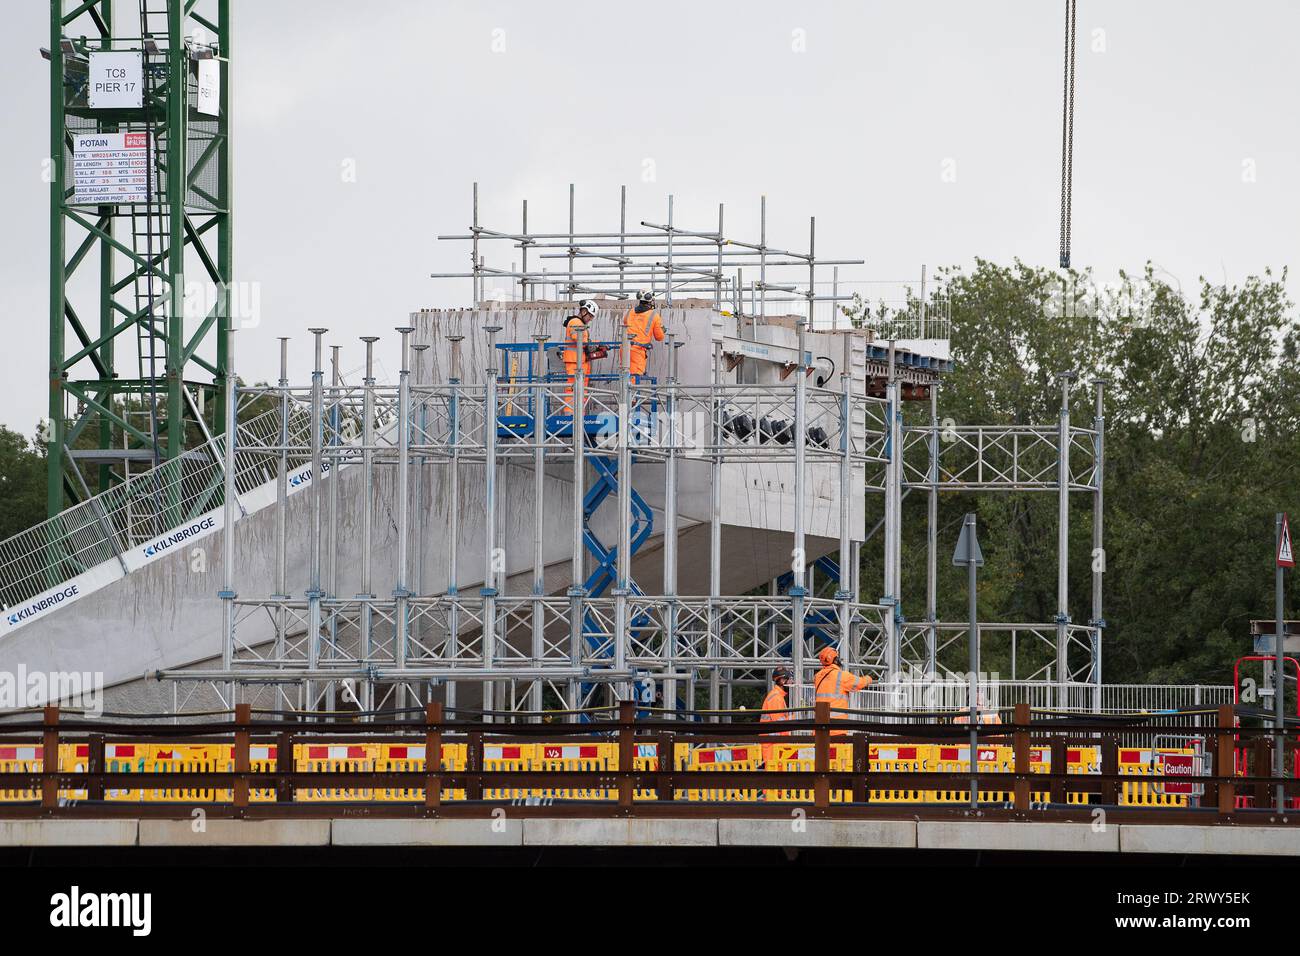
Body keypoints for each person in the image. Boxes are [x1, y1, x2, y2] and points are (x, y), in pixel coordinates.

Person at [812, 645, 873, 734]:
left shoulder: (817, 676)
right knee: (838, 748)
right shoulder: (841, 676)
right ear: (836, 660)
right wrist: (869, 678)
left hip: (819, 724)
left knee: (821, 747)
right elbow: (860, 683)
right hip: (836, 726)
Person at [561, 300, 598, 411]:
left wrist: (595, 344)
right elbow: (579, 338)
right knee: (573, 389)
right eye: (590, 316)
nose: (590, 319)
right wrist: (592, 345)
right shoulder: (576, 322)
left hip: (580, 362)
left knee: (581, 389)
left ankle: (579, 413)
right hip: (574, 362)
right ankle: (570, 415)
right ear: (584, 311)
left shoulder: (579, 323)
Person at [621, 290, 665, 382]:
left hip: (624, 348)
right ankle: (629, 396)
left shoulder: (629, 312)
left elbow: (626, 326)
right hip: (638, 350)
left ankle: (626, 395)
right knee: (633, 380)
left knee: (625, 376)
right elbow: (659, 337)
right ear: (650, 300)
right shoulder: (654, 315)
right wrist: (662, 330)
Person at [760, 668, 794, 765]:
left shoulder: (778, 696)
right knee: (774, 776)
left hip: (775, 745)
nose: (792, 682)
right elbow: (780, 724)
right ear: (782, 681)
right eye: (790, 679)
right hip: (773, 747)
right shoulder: (776, 698)